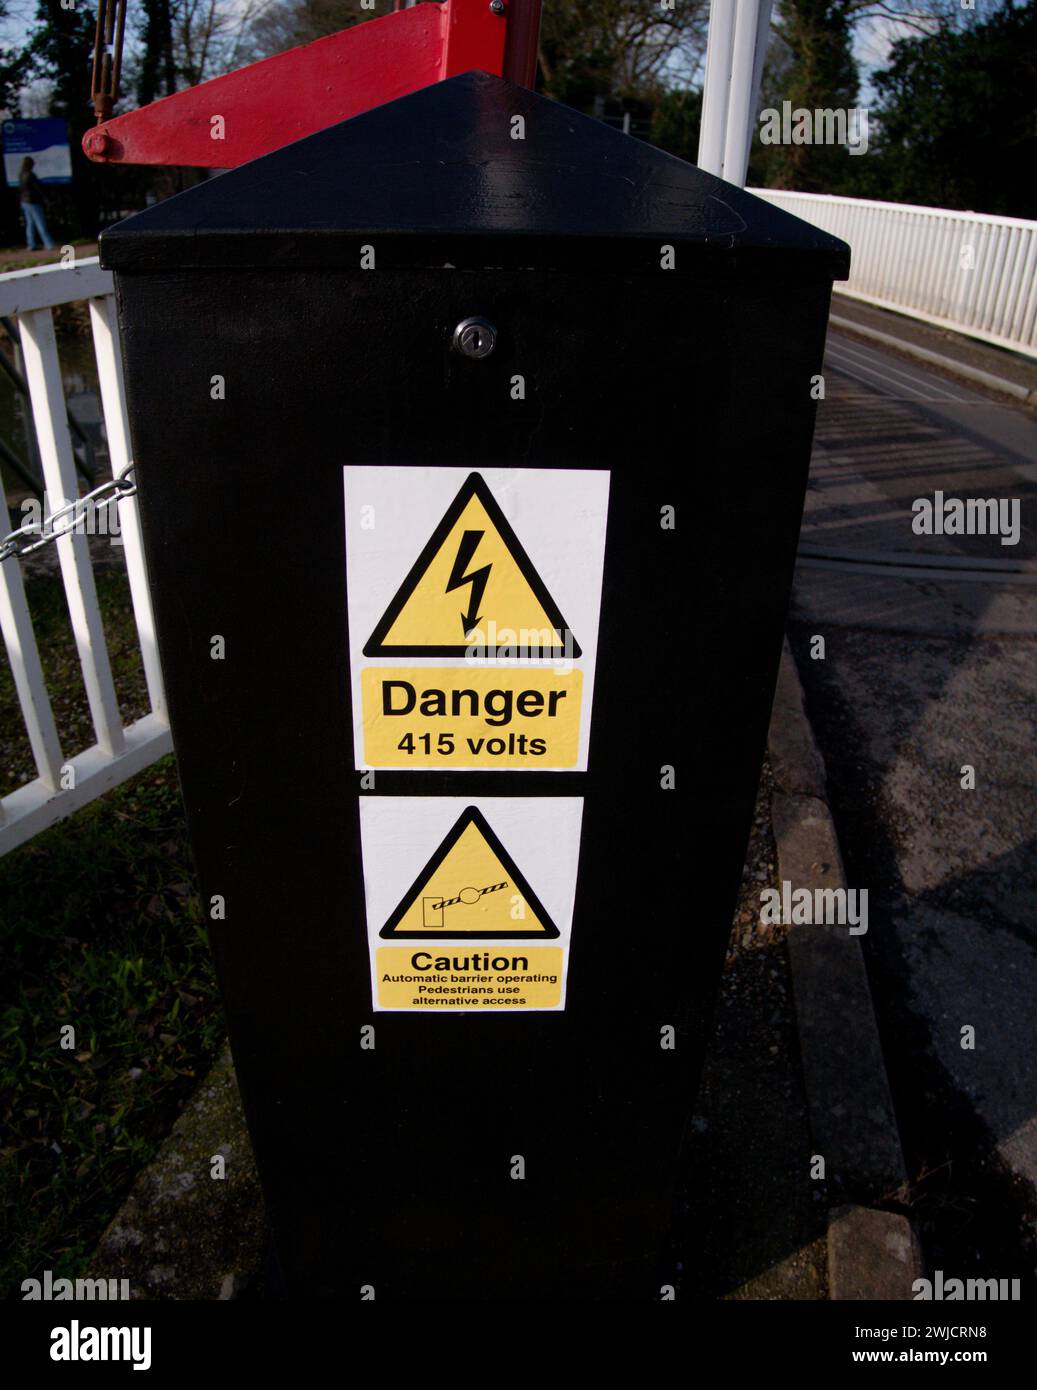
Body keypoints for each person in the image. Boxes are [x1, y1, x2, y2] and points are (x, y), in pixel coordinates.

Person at [19, 157, 55, 250]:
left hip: (24, 201)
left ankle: (31, 244)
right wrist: (46, 199)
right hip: (32, 201)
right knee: (40, 223)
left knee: (30, 224)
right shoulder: (30, 175)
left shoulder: (21, 174)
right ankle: (48, 243)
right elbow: (37, 189)